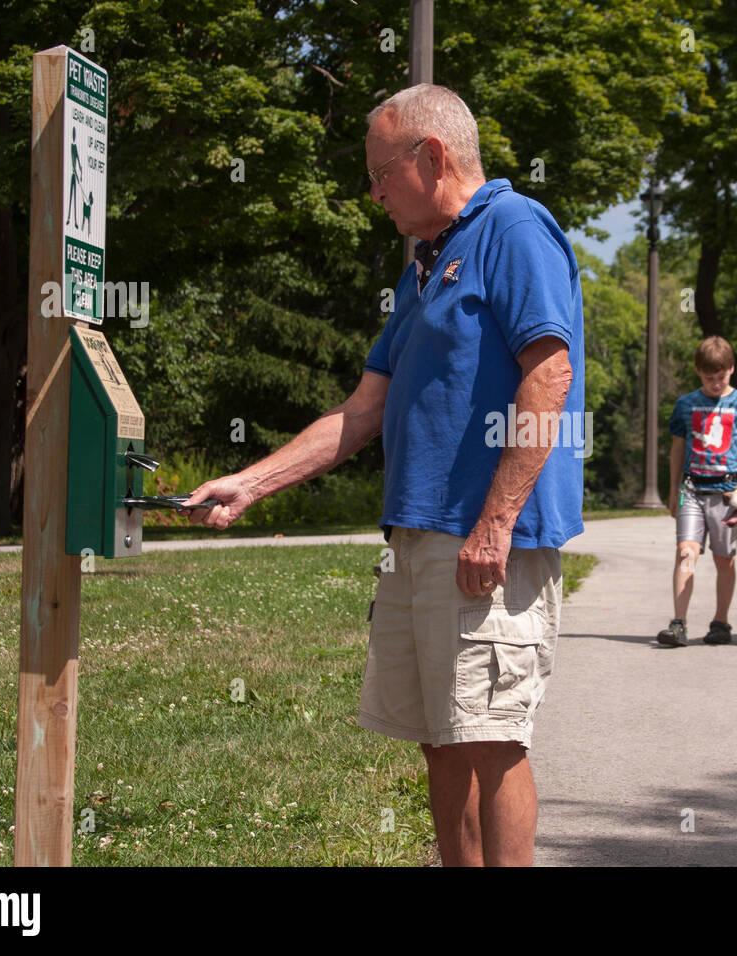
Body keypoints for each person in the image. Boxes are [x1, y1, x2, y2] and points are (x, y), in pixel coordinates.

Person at [184, 84, 584, 866]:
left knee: (490, 738)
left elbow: (551, 372)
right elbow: (362, 411)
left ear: (432, 157)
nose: (371, 193)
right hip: (416, 538)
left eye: (379, 174)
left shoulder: (514, 227)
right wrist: (251, 483)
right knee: (441, 739)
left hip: (482, 539)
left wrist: (495, 523)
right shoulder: (426, 270)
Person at [658, 337, 737, 647]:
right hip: (692, 489)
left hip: (728, 494)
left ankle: (720, 621)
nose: (716, 383)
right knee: (685, 554)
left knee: (725, 560)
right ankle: (678, 623)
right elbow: (677, 450)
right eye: (709, 378)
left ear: (731, 369)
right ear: (698, 372)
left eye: (721, 376)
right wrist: (673, 491)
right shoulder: (686, 405)